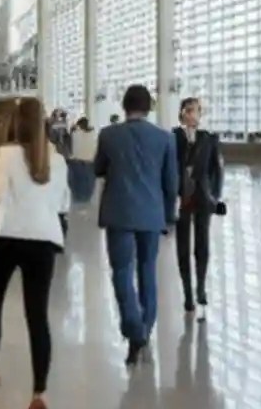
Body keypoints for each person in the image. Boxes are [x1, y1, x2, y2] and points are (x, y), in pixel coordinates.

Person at [0, 97, 69, 409]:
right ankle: (39, 394)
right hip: (43, 241)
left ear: (16, 122)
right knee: (37, 315)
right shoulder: (57, 159)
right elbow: (64, 202)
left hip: (6, 238)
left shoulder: (5, 153)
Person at [95, 85, 178, 366]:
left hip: (118, 213)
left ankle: (134, 328)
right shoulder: (165, 139)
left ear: (124, 106)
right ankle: (145, 329)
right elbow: (171, 183)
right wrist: (168, 216)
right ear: (149, 107)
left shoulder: (108, 135)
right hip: (151, 215)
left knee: (121, 270)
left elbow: (98, 168)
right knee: (147, 270)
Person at [173, 97, 223, 320]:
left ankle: (201, 286)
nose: (194, 115)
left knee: (201, 244)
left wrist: (215, 195)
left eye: (197, 111)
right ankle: (186, 292)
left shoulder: (209, 139)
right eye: (190, 110)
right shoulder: (173, 137)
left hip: (202, 197)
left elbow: (217, 170)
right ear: (182, 113)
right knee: (182, 247)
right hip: (181, 197)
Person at [69, 117, 97, 203]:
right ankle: (87, 197)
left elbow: (71, 138)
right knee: (89, 181)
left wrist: (73, 128)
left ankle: (78, 197)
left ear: (79, 125)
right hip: (90, 161)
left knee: (77, 181)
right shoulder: (93, 134)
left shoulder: (75, 134)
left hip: (77, 161)